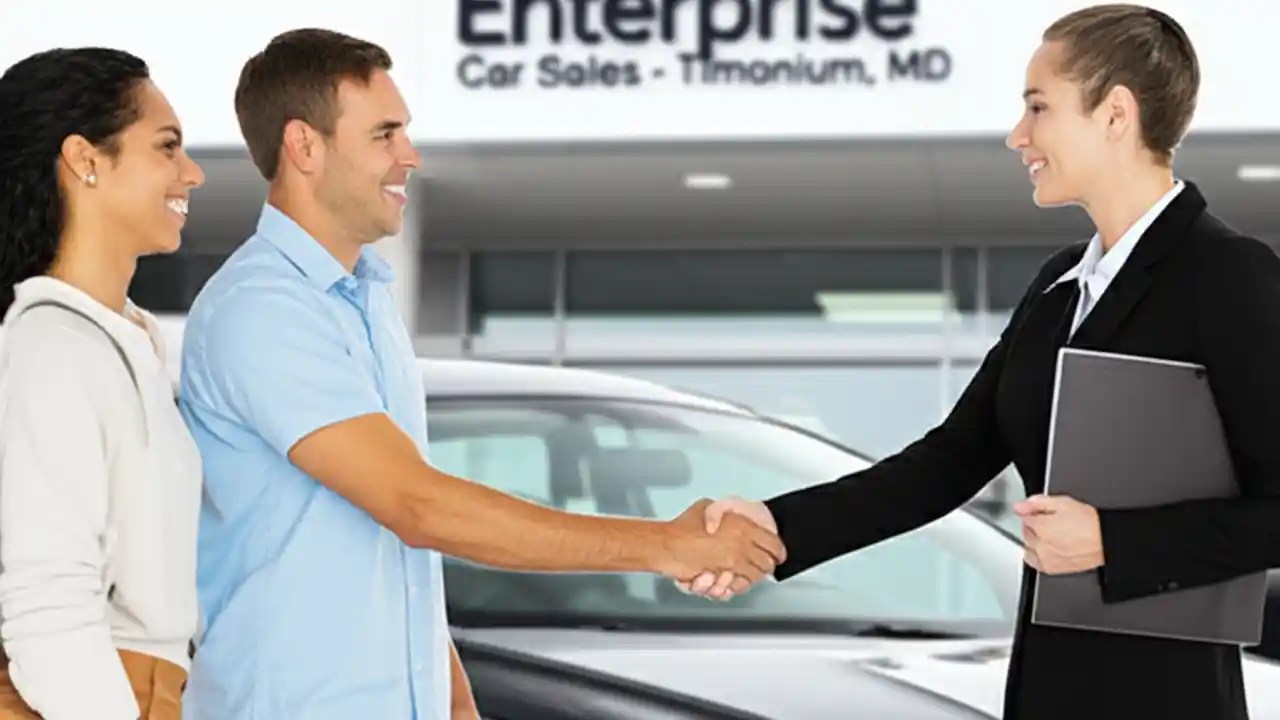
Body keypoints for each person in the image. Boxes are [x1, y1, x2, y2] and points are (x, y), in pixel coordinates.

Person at [682, 5, 1280, 719]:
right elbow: (949, 461)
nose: (1017, 135)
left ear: (1115, 114)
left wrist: (1114, 541)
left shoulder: (1230, 276)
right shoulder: (1062, 286)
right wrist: (775, 527)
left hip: (1167, 701)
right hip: (1046, 686)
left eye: (1038, 107)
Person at [176, 28, 784, 720]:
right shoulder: (263, 307)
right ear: (304, 146)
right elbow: (419, 506)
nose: (410, 154)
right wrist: (667, 546)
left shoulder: (365, 301)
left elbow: (393, 554)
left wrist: (456, 702)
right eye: (384, 134)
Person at [0, 48, 205, 719]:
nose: (192, 173)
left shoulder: (124, 338)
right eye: (167, 147)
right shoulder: (52, 346)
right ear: (85, 159)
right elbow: (49, 606)